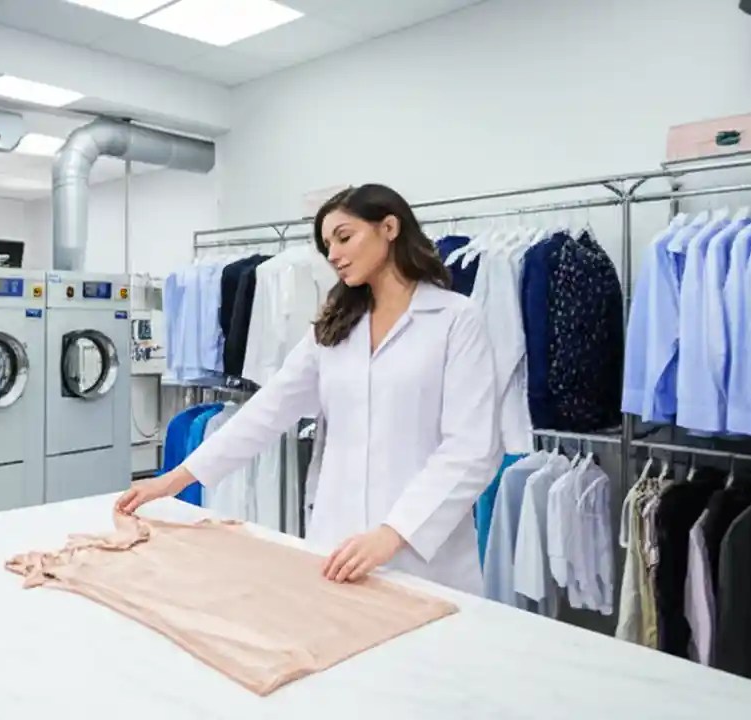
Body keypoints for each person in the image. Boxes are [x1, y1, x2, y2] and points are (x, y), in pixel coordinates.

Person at [117, 183, 502, 594]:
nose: (333, 254)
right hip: (337, 544)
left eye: (344, 237)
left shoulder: (454, 318)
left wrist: (394, 532)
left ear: (389, 228)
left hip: (424, 557)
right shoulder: (335, 326)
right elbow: (268, 410)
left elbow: (471, 448)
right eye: (327, 245)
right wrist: (173, 479)